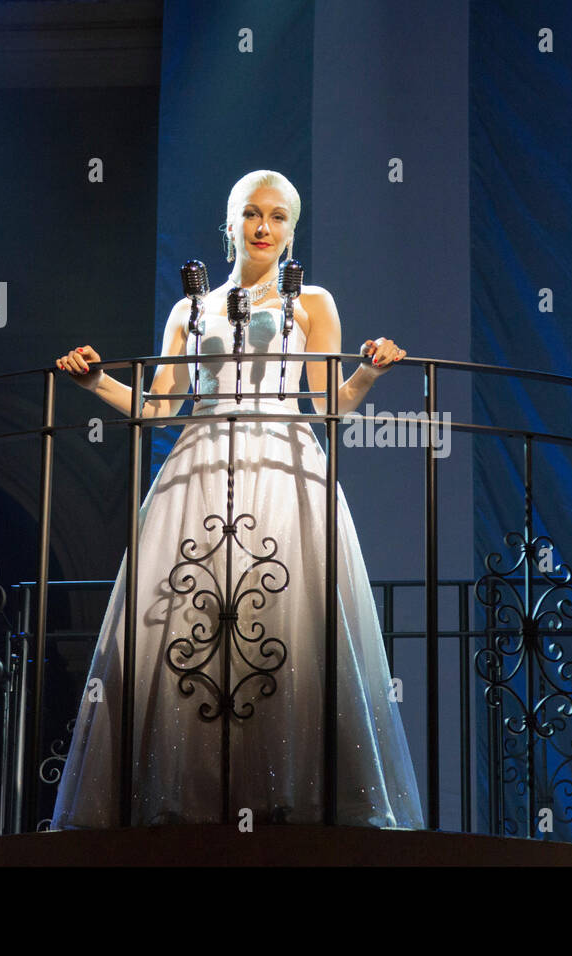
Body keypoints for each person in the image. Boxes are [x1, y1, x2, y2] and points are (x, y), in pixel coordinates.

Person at [49, 170, 424, 830]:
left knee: (288, 625)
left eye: (278, 217)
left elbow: (327, 404)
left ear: (290, 230)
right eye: (251, 213)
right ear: (229, 225)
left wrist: (370, 369)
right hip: (197, 468)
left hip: (285, 466)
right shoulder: (189, 309)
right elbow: (159, 406)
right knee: (187, 628)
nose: (263, 226)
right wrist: (97, 382)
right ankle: (187, 799)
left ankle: (294, 799)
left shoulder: (313, 302)